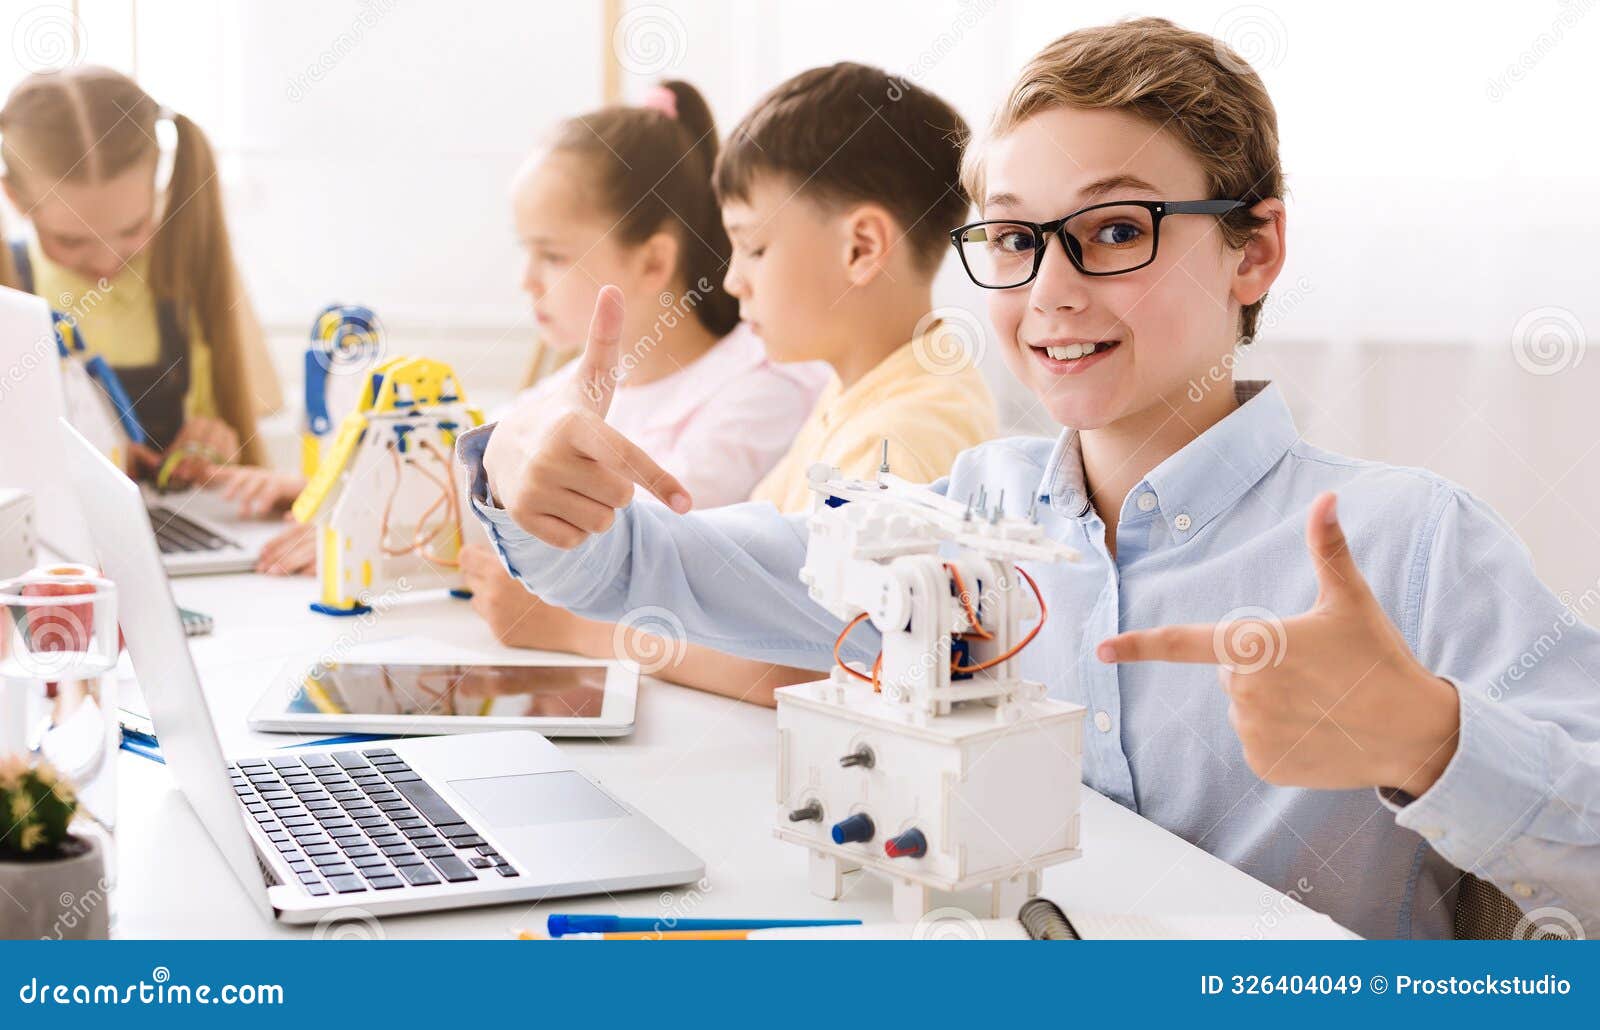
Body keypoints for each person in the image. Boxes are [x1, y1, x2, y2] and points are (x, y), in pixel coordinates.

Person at [459, 20, 1600, 939]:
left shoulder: (1407, 544)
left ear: (1253, 249)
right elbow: (649, 565)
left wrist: (1432, 742)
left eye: (1111, 231)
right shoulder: (961, 512)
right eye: (1010, 239)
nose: (1047, 291)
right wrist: (517, 470)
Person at [0, 65, 281, 480]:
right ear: (16, 200)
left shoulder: (196, 282)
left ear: (157, 187)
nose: (105, 261)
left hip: (176, 525)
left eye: (131, 229)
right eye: (72, 241)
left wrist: (212, 448)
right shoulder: (12, 294)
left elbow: (241, 442)